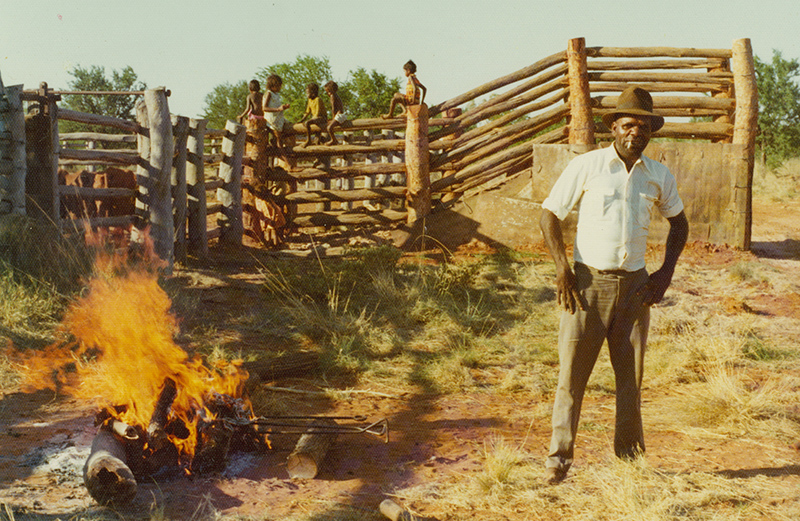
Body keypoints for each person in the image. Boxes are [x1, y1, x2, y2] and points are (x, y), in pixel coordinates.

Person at [539, 86, 689, 484]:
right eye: (628, 124)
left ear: (651, 132)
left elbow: (680, 224)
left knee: (630, 379)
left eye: (643, 126)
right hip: (587, 285)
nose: (635, 133)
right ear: (613, 128)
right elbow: (550, 215)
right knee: (572, 377)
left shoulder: (658, 175)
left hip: (636, 288)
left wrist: (665, 274)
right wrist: (562, 268)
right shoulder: (587, 166)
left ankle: (630, 461)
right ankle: (559, 459)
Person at [262, 74, 291, 149]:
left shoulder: (276, 94)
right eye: (278, 86)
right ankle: (284, 158)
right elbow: (264, 108)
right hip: (272, 119)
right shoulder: (269, 93)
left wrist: (283, 107)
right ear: (272, 86)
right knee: (279, 141)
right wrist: (278, 109)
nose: (279, 88)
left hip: (278, 117)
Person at [299, 82, 327, 147]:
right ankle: (316, 139)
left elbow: (318, 112)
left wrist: (311, 120)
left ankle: (308, 140)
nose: (306, 94)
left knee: (307, 123)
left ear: (313, 93)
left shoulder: (318, 100)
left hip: (321, 118)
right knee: (305, 123)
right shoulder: (309, 100)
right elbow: (307, 111)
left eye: (307, 93)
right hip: (315, 118)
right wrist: (302, 119)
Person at [324, 81, 347, 146]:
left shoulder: (332, 96)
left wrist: (333, 118)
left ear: (331, 90)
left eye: (328, 92)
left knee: (329, 128)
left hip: (339, 115)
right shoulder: (336, 95)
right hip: (342, 115)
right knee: (329, 125)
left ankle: (334, 140)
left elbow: (333, 108)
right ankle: (333, 140)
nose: (328, 94)